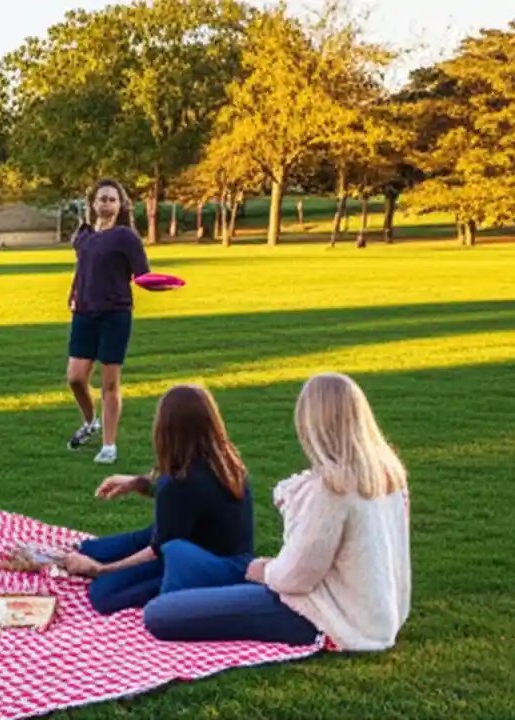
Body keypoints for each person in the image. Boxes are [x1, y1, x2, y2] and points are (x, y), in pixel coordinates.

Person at [143, 372, 411, 651]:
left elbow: (296, 578)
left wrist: (266, 571)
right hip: (370, 614)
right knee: (200, 564)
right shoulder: (385, 476)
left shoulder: (333, 489)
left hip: (323, 616)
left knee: (160, 613)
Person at [60, 384, 255, 615]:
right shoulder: (224, 463)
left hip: (204, 567)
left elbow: (159, 549)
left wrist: (100, 570)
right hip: (227, 554)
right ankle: (77, 555)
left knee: (103, 593)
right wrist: (138, 483)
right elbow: (190, 501)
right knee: (90, 548)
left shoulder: (179, 484)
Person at [65, 178, 150, 464]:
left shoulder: (126, 237)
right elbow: (82, 268)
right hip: (85, 312)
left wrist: (159, 284)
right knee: (75, 377)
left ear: (120, 205)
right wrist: (73, 293)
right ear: (93, 203)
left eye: (112, 199)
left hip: (115, 313)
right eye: (102, 199)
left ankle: (109, 445)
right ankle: (91, 422)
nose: (106, 204)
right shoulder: (83, 235)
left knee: (109, 383)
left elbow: (143, 274)